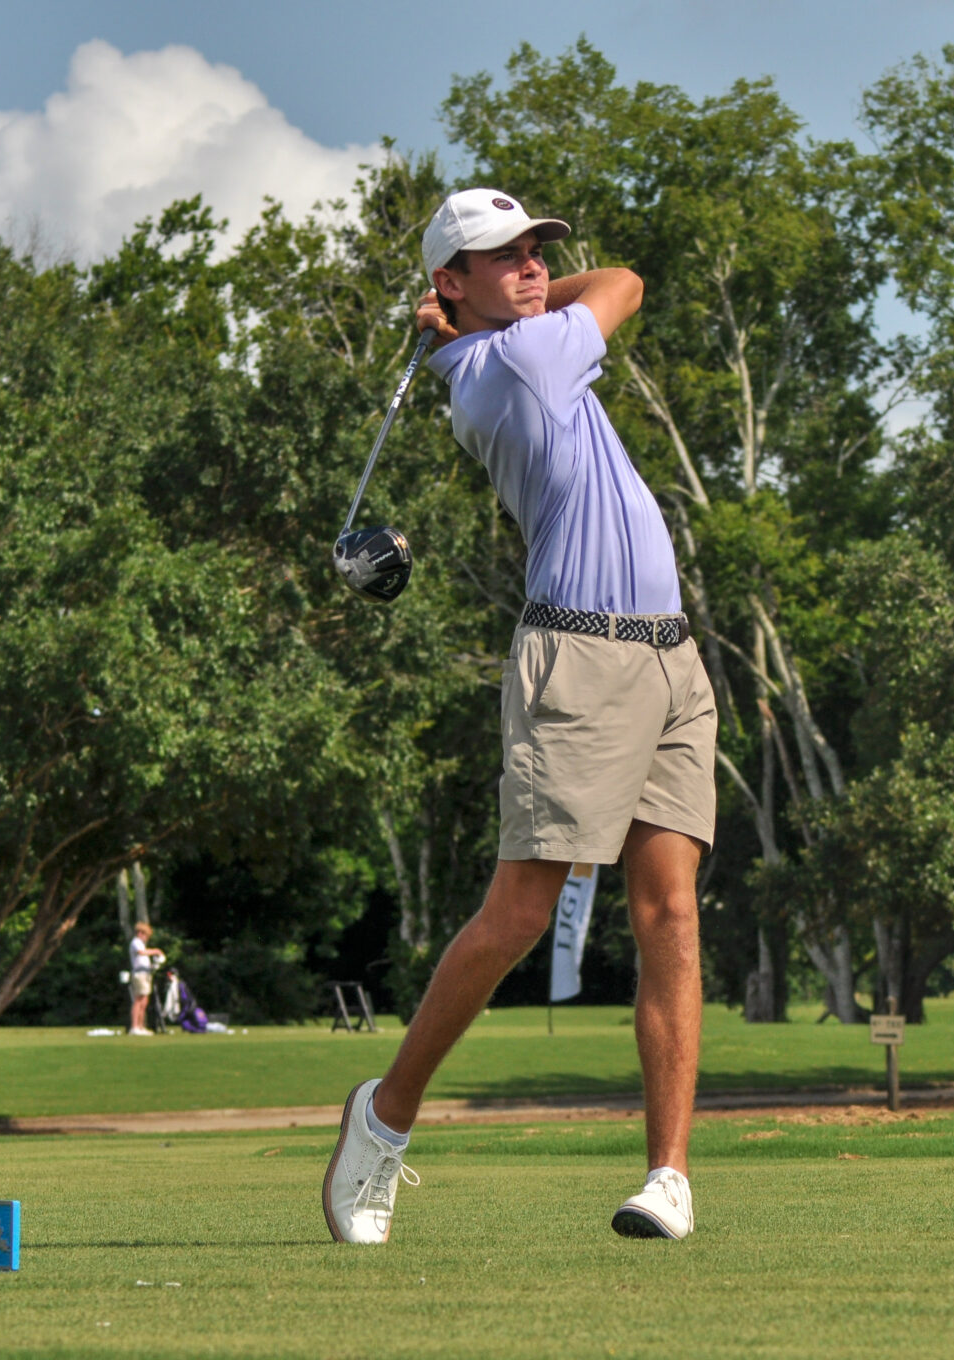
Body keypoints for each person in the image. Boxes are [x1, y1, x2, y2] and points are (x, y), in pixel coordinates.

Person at [323, 189, 715, 1245]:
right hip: (578, 661)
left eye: (538, 249)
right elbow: (623, 282)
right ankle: (383, 1118)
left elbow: (585, 289)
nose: (535, 266)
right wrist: (468, 324)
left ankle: (668, 1176)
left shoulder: (506, 344)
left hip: (669, 656)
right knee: (519, 915)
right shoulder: (521, 363)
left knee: (671, 913)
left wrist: (459, 316)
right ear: (450, 281)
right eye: (504, 256)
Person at [127, 922, 165, 1035]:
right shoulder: (136, 942)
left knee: (144, 1001)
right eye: (145, 935)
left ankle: (141, 1026)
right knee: (138, 1000)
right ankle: (134, 1027)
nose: (146, 938)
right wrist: (156, 951)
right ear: (140, 933)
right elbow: (141, 953)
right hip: (139, 974)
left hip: (146, 974)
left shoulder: (141, 944)